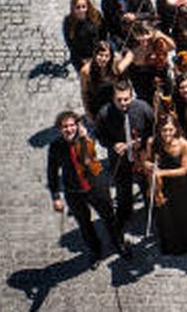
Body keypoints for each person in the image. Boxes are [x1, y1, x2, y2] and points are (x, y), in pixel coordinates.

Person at [48, 110, 128, 265]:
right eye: (65, 127)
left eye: (72, 125)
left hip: (96, 187)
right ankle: (95, 251)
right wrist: (56, 196)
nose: (69, 129)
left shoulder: (86, 139)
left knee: (109, 218)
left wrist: (84, 137)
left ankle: (119, 244)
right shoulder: (56, 146)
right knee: (85, 225)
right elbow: (52, 172)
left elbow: (90, 156)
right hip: (73, 191)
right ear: (60, 128)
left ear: (77, 126)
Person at [95, 80, 155, 233]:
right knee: (123, 190)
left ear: (131, 96)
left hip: (140, 157)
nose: (123, 103)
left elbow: (153, 128)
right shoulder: (104, 114)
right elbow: (100, 136)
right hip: (120, 160)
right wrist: (112, 144)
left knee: (146, 186)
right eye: (119, 100)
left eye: (126, 99)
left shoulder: (143, 108)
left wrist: (143, 141)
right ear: (113, 98)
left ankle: (152, 211)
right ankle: (125, 214)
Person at [144, 115, 187, 255]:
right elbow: (147, 161)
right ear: (159, 130)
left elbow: (183, 170)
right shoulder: (152, 142)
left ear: (176, 129)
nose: (167, 133)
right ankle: (173, 246)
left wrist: (161, 173)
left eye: (170, 130)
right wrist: (149, 165)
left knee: (185, 214)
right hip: (162, 186)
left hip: (181, 185)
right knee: (167, 216)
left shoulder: (184, 144)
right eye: (164, 130)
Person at [63, 0, 104, 69]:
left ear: (87, 6)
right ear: (73, 8)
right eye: (78, 7)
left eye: (83, 7)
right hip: (80, 58)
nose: (81, 10)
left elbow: (103, 35)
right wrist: (82, 60)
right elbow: (70, 44)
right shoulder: (69, 22)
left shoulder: (96, 16)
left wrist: (98, 55)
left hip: (97, 55)